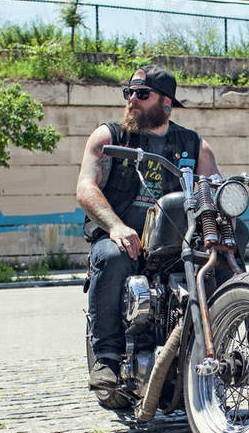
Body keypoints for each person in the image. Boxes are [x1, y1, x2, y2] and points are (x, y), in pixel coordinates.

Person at [76, 65, 219, 393]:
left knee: (221, 256)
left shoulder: (194, 145)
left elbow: (212, 189)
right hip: (119, 237)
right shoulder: (110, 137)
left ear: (166, 103)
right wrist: (115, 226)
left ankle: (227, 335)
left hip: (175, 243)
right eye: (129, 93)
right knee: (112, 257)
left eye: (142, 94)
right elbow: (86, 188)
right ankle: (107, 358)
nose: (132, 100)